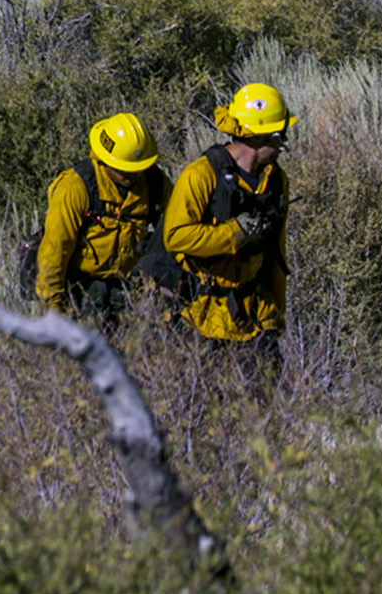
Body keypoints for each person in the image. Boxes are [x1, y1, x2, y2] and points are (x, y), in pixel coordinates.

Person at [162, 82, 292, 375]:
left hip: (255, 318)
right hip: (201, 320)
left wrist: (275, 317)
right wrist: (235, 234)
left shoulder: (276, 180)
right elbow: (175, 236)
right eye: (280, 133)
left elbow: (276, 255)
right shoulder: (201, 175)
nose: (284, 141)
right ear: (263, 135)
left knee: (263, 407)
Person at [34, 113, 171, 327]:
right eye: (125, 169)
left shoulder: (155, 184)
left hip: (129, 288)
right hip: (80, 289)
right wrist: (53, 314)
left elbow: (181, 226)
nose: (133, 175)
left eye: (138, 168)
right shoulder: (75, 188)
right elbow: (54, 254)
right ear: (104, 160)